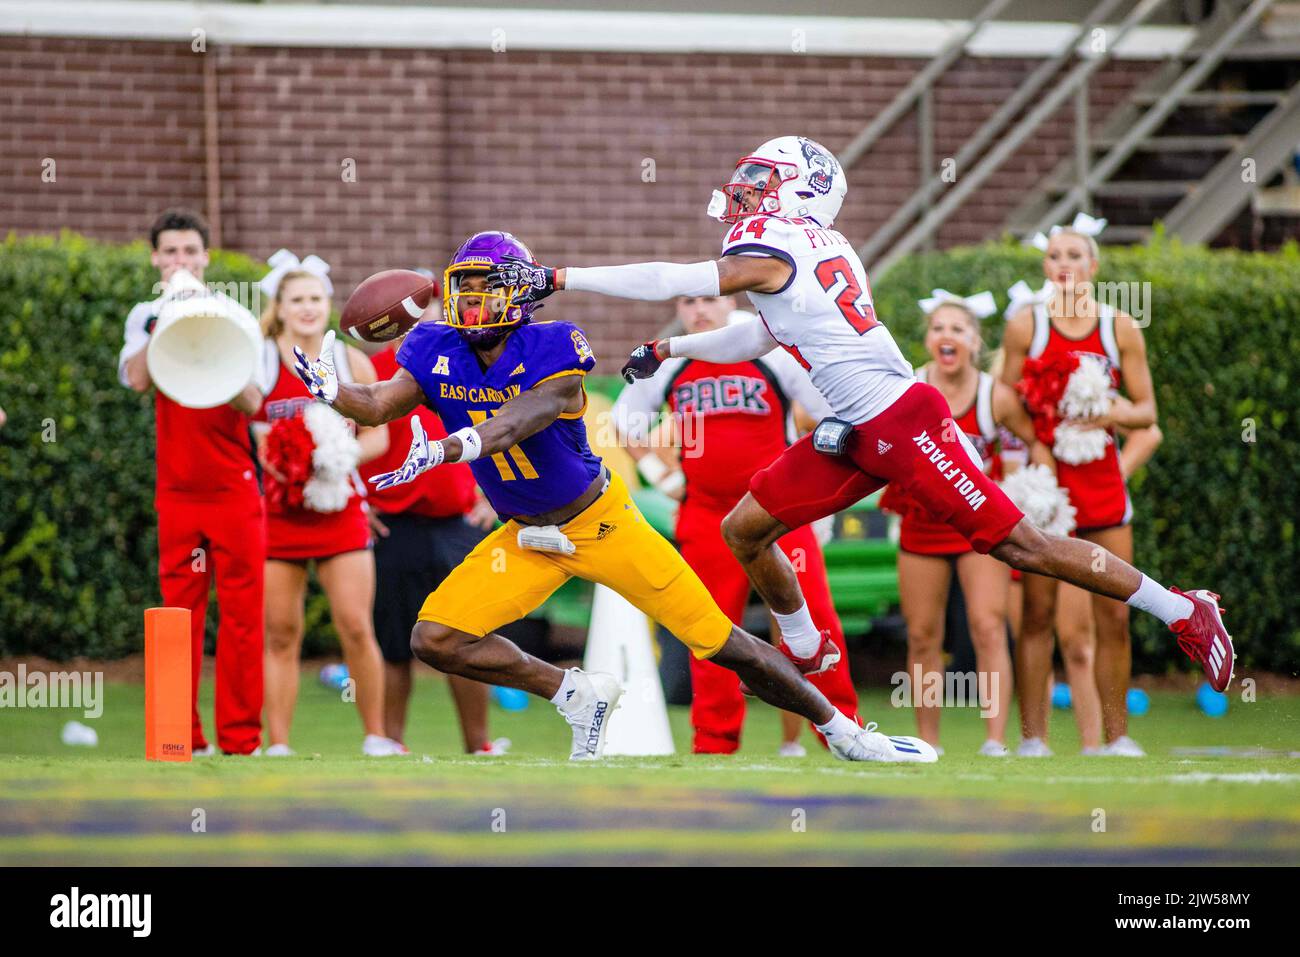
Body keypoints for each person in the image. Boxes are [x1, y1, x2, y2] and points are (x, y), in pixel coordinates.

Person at [486, 135, 1235, 705]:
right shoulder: (816, 245)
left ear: (799, 192)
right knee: (745, 527)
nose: (748, 187)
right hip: (856, 428)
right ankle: (808, 643)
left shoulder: (776, 242)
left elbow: (681, 279)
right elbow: (764, 330)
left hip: (901, 421)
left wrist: (559, 276)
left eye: (765, 178)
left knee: (1023, 546)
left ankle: (1181, 607)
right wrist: (669, 346)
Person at [293, 229, 935, 763]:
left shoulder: (556, 344)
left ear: (519, 295)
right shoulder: (432, 345)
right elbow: (377, 404)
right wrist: (332, 390)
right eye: (463, 286)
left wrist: (448, 448)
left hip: (599, 522)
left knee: (720, 640)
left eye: (487, 287)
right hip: (524, 536)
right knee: (435, 638)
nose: (471, 300)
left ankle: (844, 732)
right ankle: (575, 693)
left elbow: (524, 417)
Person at [613, 294, 859, 756]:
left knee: (815, 622)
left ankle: (844, 731)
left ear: (729, 303)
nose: (699, 310)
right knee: (710, 630)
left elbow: (833, 413)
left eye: (708, 299)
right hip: (706, 513)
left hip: (777, 515)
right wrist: (662, 476)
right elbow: (624, 423)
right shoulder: (668, 360)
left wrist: (807, 484)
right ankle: (714, 741)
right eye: (688, 302)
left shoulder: (769, 345)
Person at [1001, 225, 1161, 757]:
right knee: (1037, 614)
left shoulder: (1121, 328)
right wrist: (1037, 447)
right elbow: (1005, 400)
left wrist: (1106, 410)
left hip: (1103, 485)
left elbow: (1147, 412)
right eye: (1053, 256)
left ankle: (1117, 739)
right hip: (1047, 487)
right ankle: (1033, 740)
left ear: (1093, 267)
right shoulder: (1026, 326)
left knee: (1114, 611)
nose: (1064, 263)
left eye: (1075, 255)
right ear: (1045, 268)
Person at [117, 208, 265, 756]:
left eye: (189, 252)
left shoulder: (236, 315)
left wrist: (210, 338)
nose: (180, 261)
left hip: (233, 487)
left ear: (205, 257)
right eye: (170, 252)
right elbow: (135, 378)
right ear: (156, 258)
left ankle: (240, 740)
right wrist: (166, 322)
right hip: (177, 489)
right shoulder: (144, 316)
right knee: (177, 618)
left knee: (245, 618)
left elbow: (255, 401)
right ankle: (179, 738)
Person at [877, 290, 1044, 756]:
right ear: (928, 340)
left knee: (989, 625)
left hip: (977, 526)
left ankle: (995, 741)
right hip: (922, 523)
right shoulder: (906, 385)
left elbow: (1035, 445)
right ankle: (927, 742)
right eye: (938, 329)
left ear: (974, 340)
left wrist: (1032, 495)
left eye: (957, 329)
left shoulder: (997, 395)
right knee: (922, 634)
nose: (946, 336)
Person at [250, 252, 402, 757]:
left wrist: (337, 458)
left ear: (327, 303)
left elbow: (379, 437)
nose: (308, 308)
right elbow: (255, 434)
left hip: (341, 508)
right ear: (281, 306)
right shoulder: (263, 359)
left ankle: (376, 736)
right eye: (297, 300)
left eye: (315, 298)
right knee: (281, 631)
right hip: (281, 512)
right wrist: (290, 462)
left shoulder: (348, 361)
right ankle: (280, 744)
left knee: (357, 626)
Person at [359, 334, 510, 755]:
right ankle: (390, 743)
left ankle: (479, 744)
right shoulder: (373, 366)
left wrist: (492, 493)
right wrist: (355, 497)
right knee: (392, 643)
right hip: (391, 522)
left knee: (465, 636)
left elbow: (504, 423)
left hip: (454, 521)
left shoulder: (466, 361)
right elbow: (341, 437)